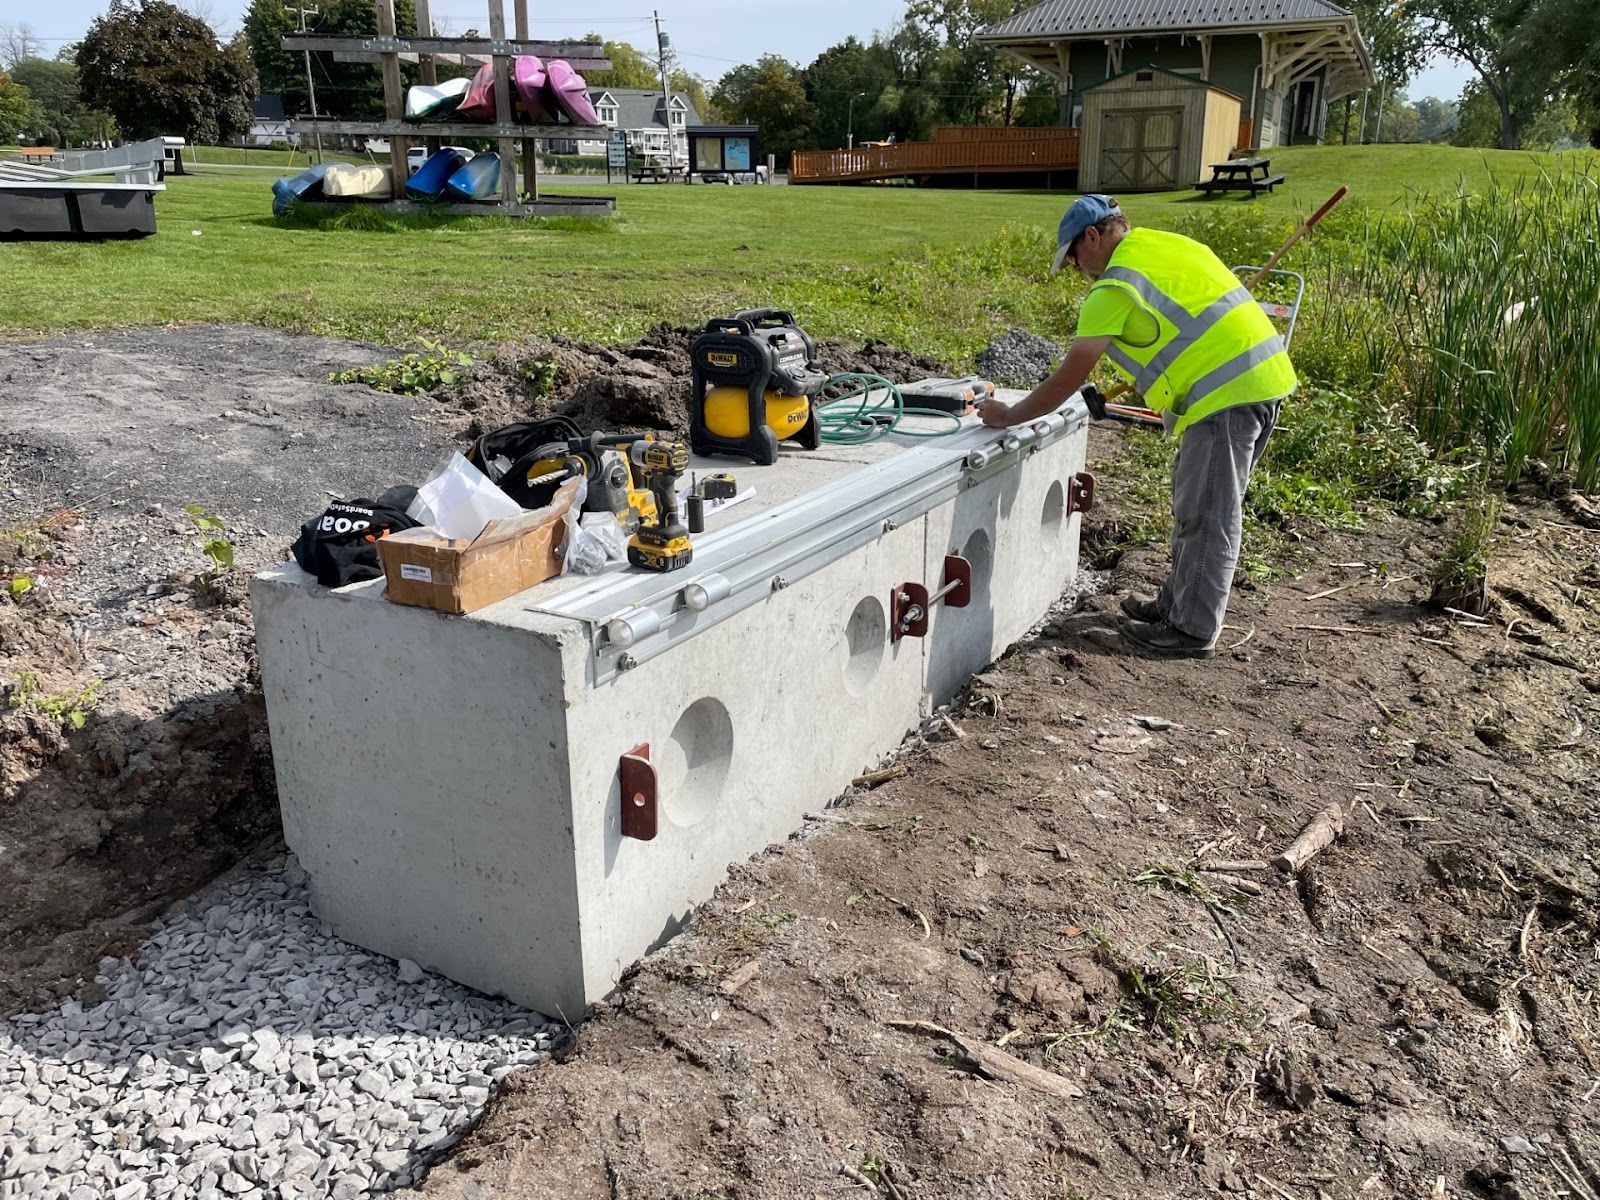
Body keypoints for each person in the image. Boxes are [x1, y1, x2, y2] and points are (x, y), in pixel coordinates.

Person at [979, 195, 1296, 660]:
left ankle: (1191, 630)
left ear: (1093, 236)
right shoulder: (1165, 246)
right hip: (1257, 378)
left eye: (1072, 256)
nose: (1075, 268)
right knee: (1197, 500)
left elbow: (1071, 375)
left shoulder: (1114, 287)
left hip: (1228, 392)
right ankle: (1176, 606)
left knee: (1208, 512)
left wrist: (1006, 416)